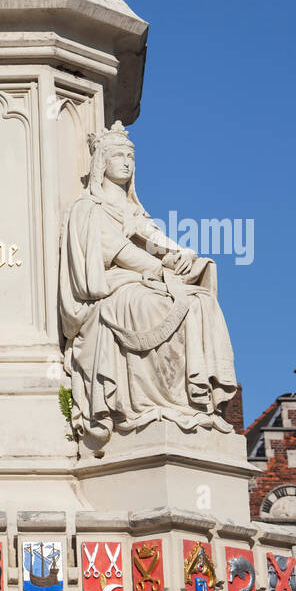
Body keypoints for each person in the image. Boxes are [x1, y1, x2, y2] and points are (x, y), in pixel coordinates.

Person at [59, 122, 237, 454]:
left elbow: (159, 244)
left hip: (145, 280)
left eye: (130, 156)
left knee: (201, 301)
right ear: (102, 163)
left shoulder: (135, 210)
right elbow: (122, 253)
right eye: (118, 156)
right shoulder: (90, 209)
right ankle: (151, 406)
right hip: (114, 289)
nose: (126, 162)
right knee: (161, 306)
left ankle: (191, 405)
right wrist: (161, 269)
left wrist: (185, 259)